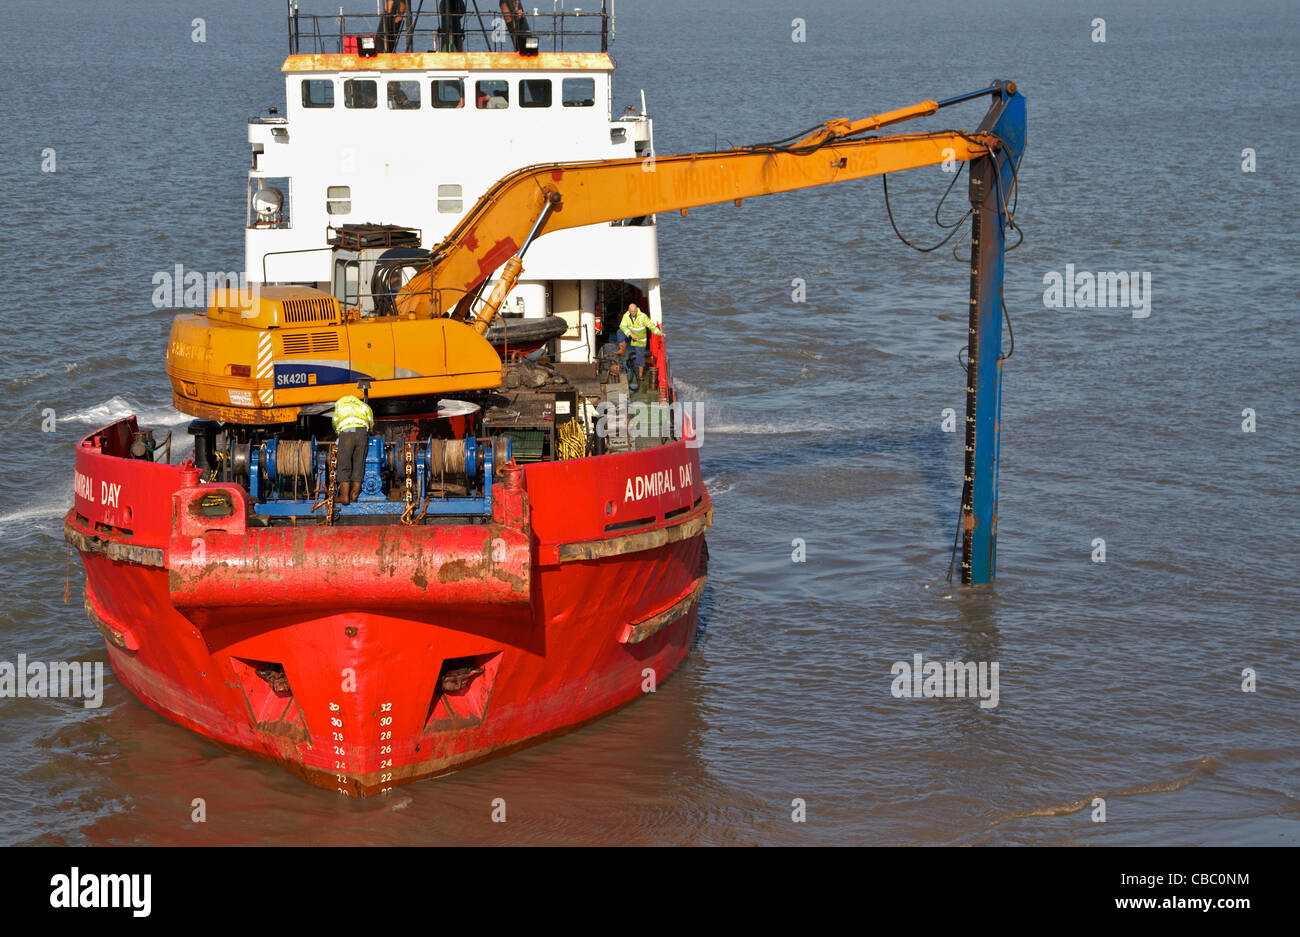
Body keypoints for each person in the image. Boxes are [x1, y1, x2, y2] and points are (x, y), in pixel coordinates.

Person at [332, 392, 375, 507]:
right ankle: (354, 495)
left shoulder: (340, 404)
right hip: (362, 433)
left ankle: (344, 497)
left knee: (344, 464)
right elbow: (370, 422)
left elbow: (335, 421)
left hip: (346, 432)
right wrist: (367, 432)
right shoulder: (364, 406)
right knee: (359, 464)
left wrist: (338, 432)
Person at [615, 302, 663, 389]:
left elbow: (651, 326)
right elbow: (622, 326)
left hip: (640, 340)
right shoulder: (626, 315)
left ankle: (640, 375)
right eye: (632, 311)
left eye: (635, 311)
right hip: (632, 335)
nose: (633, 313)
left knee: (640, 356)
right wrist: (630, 334)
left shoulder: (642, 316)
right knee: (620, 332)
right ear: (629, 311)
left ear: (637, 309)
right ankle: (622, 350)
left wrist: (660, 333)